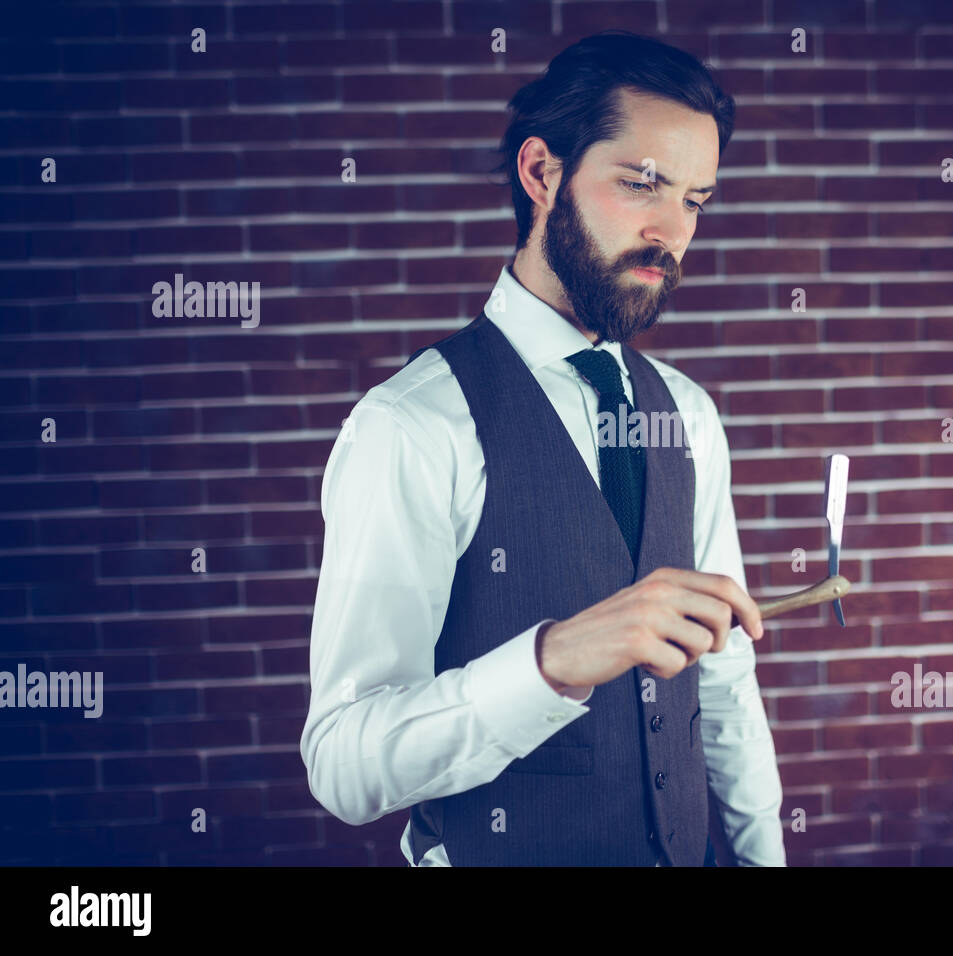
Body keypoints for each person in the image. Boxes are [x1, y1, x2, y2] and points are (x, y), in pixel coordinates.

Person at [300, 30, 786, 867]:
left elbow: (724, 684)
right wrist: (553, 661)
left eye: (696, 201)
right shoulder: (412, 426)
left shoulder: (691, 416)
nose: (672, 233)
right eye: (643, 185)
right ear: (541, 174)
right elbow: (344, 765)